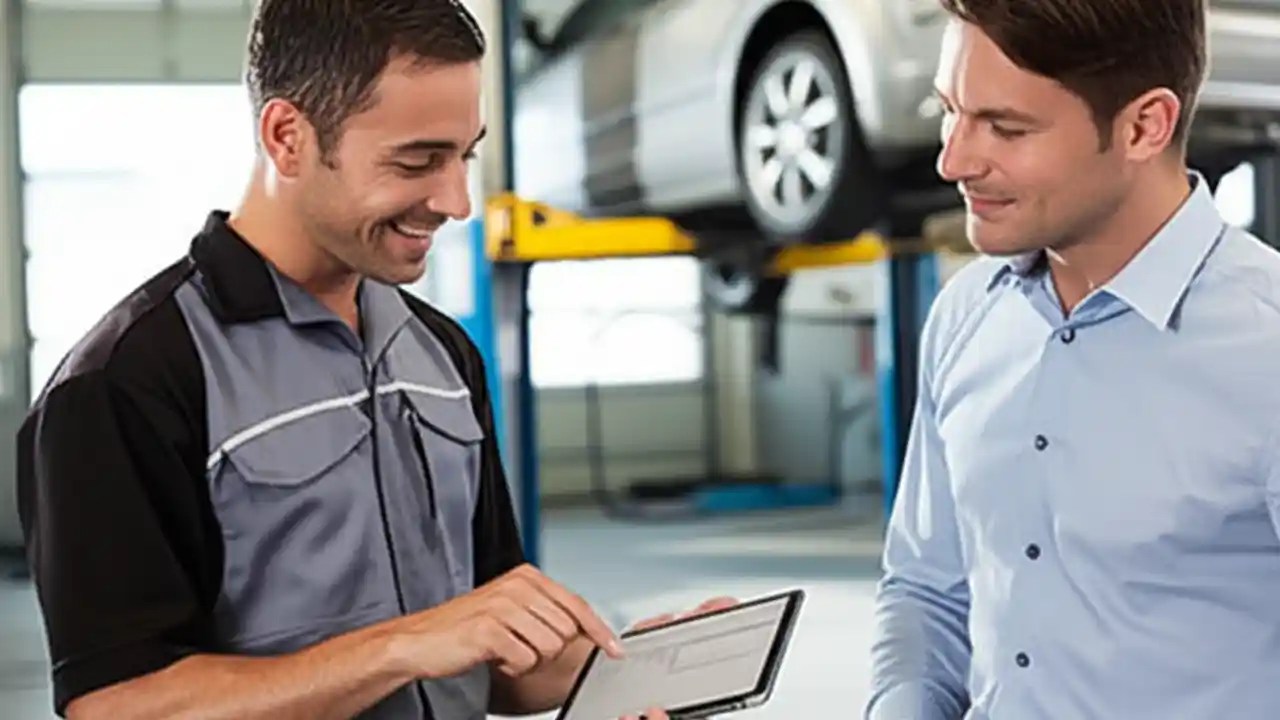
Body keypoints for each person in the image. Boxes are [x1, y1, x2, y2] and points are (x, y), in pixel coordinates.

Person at [15, 1, 730, 718]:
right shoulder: (125, 383)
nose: (456, 201)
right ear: (287, 137)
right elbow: (117, 707)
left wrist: (625, 667)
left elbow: (489, 656)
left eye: (465, 155)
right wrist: (402, 646)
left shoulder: (441, 355)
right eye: (417, 160)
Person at [867, 0, 1280, 718]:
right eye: (950, 111)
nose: (954, 159)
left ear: (1143, 126)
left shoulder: (1267, 346)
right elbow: (927, 591)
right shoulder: (965, 317)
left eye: (1005, 127)